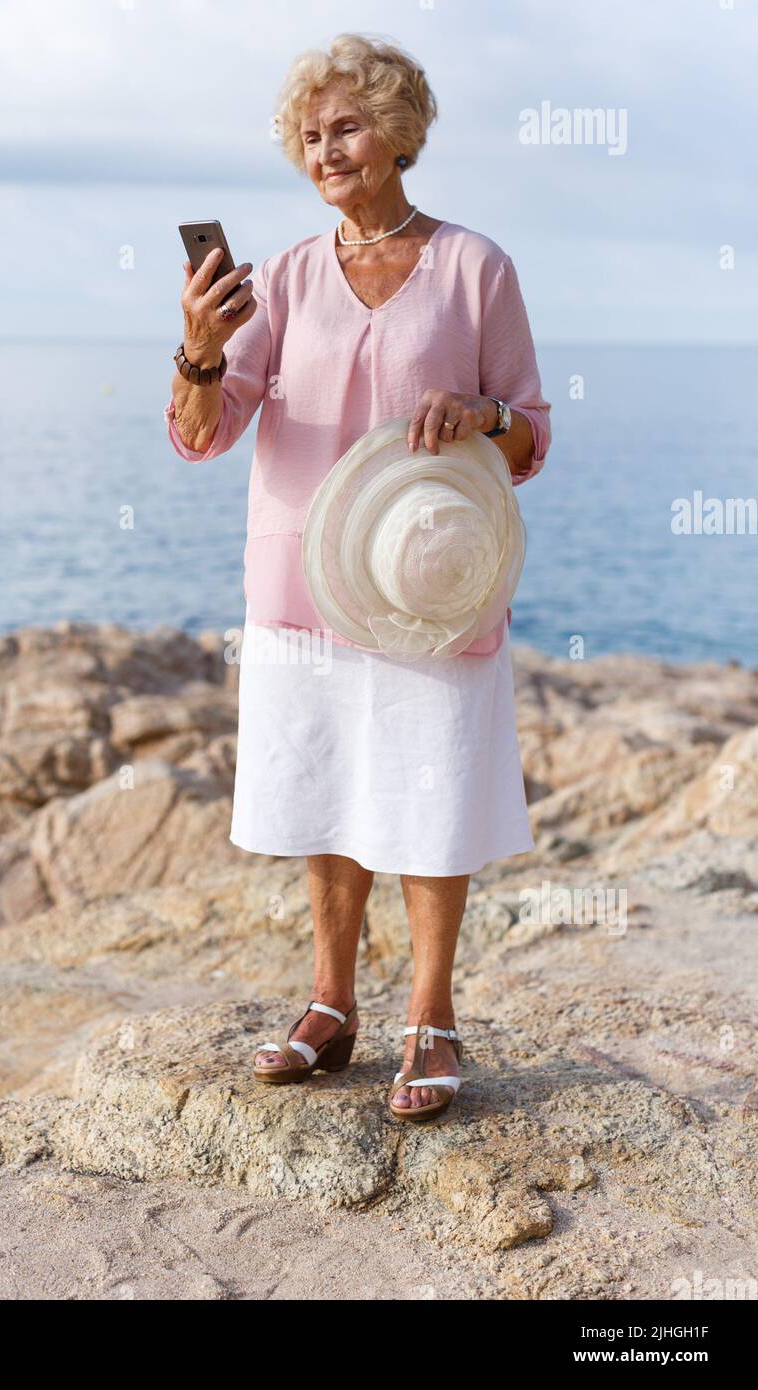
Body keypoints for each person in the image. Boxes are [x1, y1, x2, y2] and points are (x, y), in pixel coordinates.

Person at [163, 33, 551, 1120]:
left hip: (428, 581)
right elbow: (202, 437)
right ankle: (330, 1004)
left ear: (396, 135)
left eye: (345, 126)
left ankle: (431, 1014)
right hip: (300, 579)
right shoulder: (277, 279)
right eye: (308, 133)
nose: (323, 147)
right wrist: (198, 344)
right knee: (326, 790)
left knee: (430, 794)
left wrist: (482, 414)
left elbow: (528, 439)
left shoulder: (475, 268)